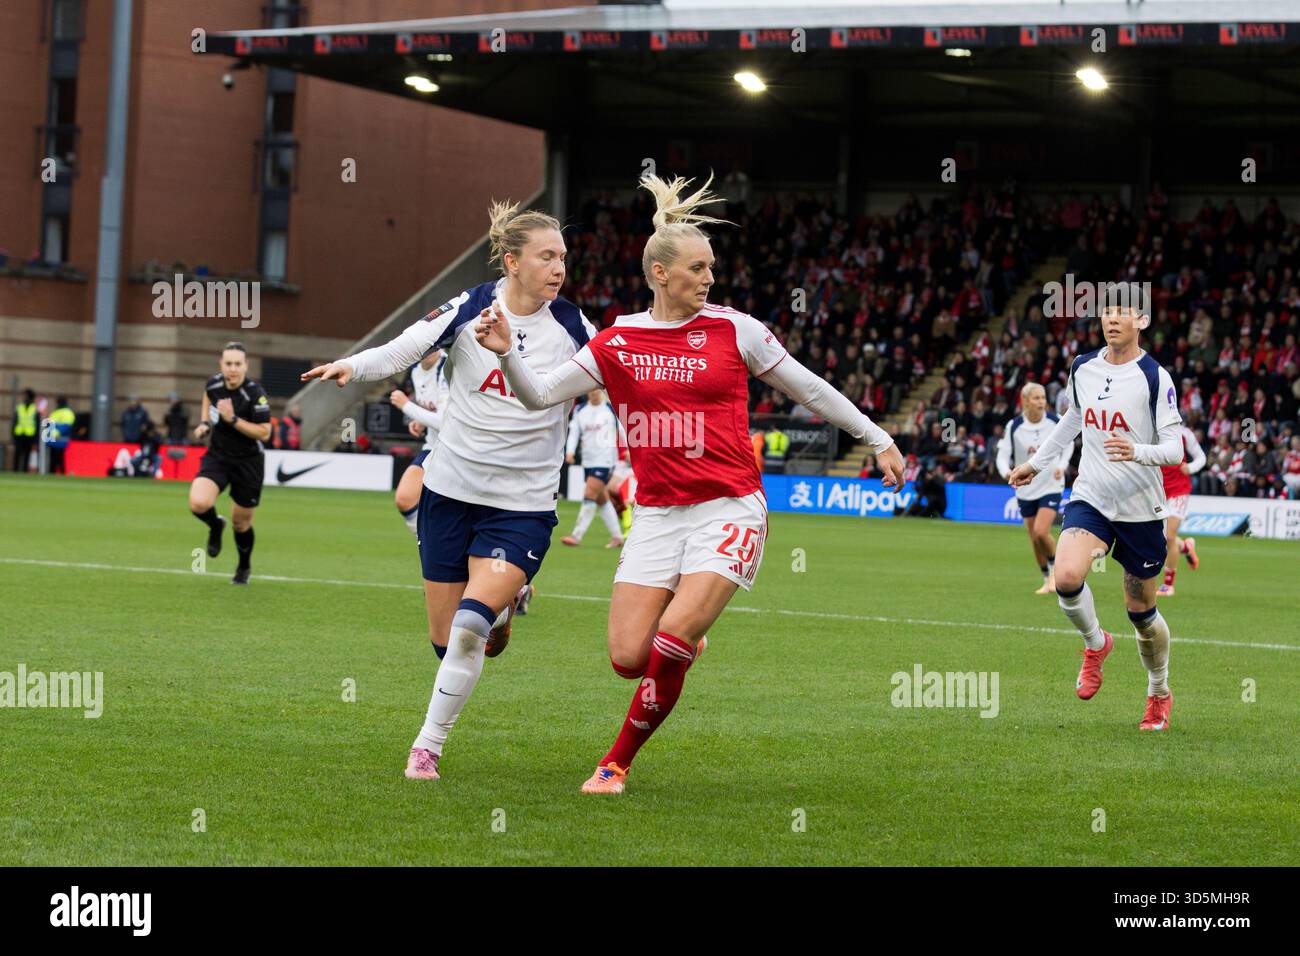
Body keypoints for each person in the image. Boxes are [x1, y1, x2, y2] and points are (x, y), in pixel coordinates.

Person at [477, 173, 905, 794]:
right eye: (698, 269)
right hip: (655, 514)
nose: (709, 279)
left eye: (711, 268)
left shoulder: (737, 329)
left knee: (671, 641)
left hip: (729, 507)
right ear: (659, 273)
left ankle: (614, 763)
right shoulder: (616, 340)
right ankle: (682, 648)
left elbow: (809, 387)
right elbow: (540, 395)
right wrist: (505, 353)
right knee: (628, 657)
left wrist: (878, 436)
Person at [302, 201, 594, 783]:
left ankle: (426, 747)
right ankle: (503, 609)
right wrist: (351, 367)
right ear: (512, 261)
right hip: (449, 493)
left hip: (523, 505)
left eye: (563, 256)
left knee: (467, 626)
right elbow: (402, 349)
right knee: (446, 640)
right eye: (547, 256)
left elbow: (621, 373)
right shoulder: (468, 309)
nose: (560, 266)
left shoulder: (573, 326)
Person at [1008, 304, 1183, 732]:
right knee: (1066, 577)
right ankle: (1095, 644)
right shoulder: (1082, 367)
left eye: (1122, 313)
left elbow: (1175, 449)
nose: (1111, 320)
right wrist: (1037, 463)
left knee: (1141, 614)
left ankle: (1158, 692)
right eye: (1107, 312)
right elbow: (1072, 419)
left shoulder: (1154, 377)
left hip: (1141, 509)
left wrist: (1137, 451)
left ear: (1142, 321)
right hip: (1092, 497)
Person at [188, 342, 273, 585]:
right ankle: (215, 525)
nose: (232, 369)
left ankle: (243, 566)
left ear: (246, 366)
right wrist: (205, 422)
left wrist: (232, 419)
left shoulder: (256, 395)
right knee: (198, 503)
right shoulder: (214, 383)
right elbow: (207, 395)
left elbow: (264, 433)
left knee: (241, 523)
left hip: (248, 462)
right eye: (228, 364)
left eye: (237, 364)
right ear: (221, 365)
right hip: (218, 456)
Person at [996, 383, 1072, 594]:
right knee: (1034, 537)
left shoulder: (1055, 420)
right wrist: (1006, 472)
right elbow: (1002, 455)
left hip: (1051, 484)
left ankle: (1058, 573)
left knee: (1041, 531)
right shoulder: (1015, 425)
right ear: (1026, 401)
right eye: (1037, 398)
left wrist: (1061, 466)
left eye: (1043, 397)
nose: (1042, 402)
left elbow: (1069, 444)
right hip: (1025, 487)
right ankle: (1047, 578)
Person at [390, 349, 449, 536]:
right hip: (433, 447)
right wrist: (421, 421)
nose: (431, 348)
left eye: (435, 344)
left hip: (455, 449)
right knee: (404, 499)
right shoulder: (416, 370)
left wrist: (407, 406)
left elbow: (444, 422)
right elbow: (436, 411)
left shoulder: (447, 366)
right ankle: (428, 542)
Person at [561, 388, 624, 548]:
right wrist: (569, 451)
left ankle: (576, 535)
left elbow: (622, 428)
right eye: (591, 391)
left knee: (589, 493)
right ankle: (617, 537)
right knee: (601, 498)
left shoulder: (610, 408)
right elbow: (574, 432)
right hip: (588, 460)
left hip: (606, 459)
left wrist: (631, 446)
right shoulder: (581, 410)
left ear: (601, 392)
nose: (594, 393)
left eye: (597, 390)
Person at [1157, 419, 1206, 596]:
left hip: (1179, 490)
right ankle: (1185, 546)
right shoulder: (1151, 431)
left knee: (1169, 536)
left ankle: (1168, 585)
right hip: (1158, 491)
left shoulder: (1184, 434)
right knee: (1163, 538)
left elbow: (1201, 457)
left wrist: (1190, 467)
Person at [44, 396, 75, 475]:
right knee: (53, 460)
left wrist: (55, 431)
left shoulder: (67, 413)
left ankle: (62, 475)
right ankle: (52, 475)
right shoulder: (56, 412)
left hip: (60, 440)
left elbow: (66, 427)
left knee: (60, 460)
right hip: (52, 440)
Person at [12, 388, 38, 472]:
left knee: (27, 455)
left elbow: (37, 425)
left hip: (30, 436)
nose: (24, 398)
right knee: (17, 454)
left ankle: (24, 471)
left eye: (26, 396)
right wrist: (13, 434)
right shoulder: (20, 407)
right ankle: (15, 471)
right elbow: (15, 422)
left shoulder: (35, 409)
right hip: (19, 435)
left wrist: (35, 440)